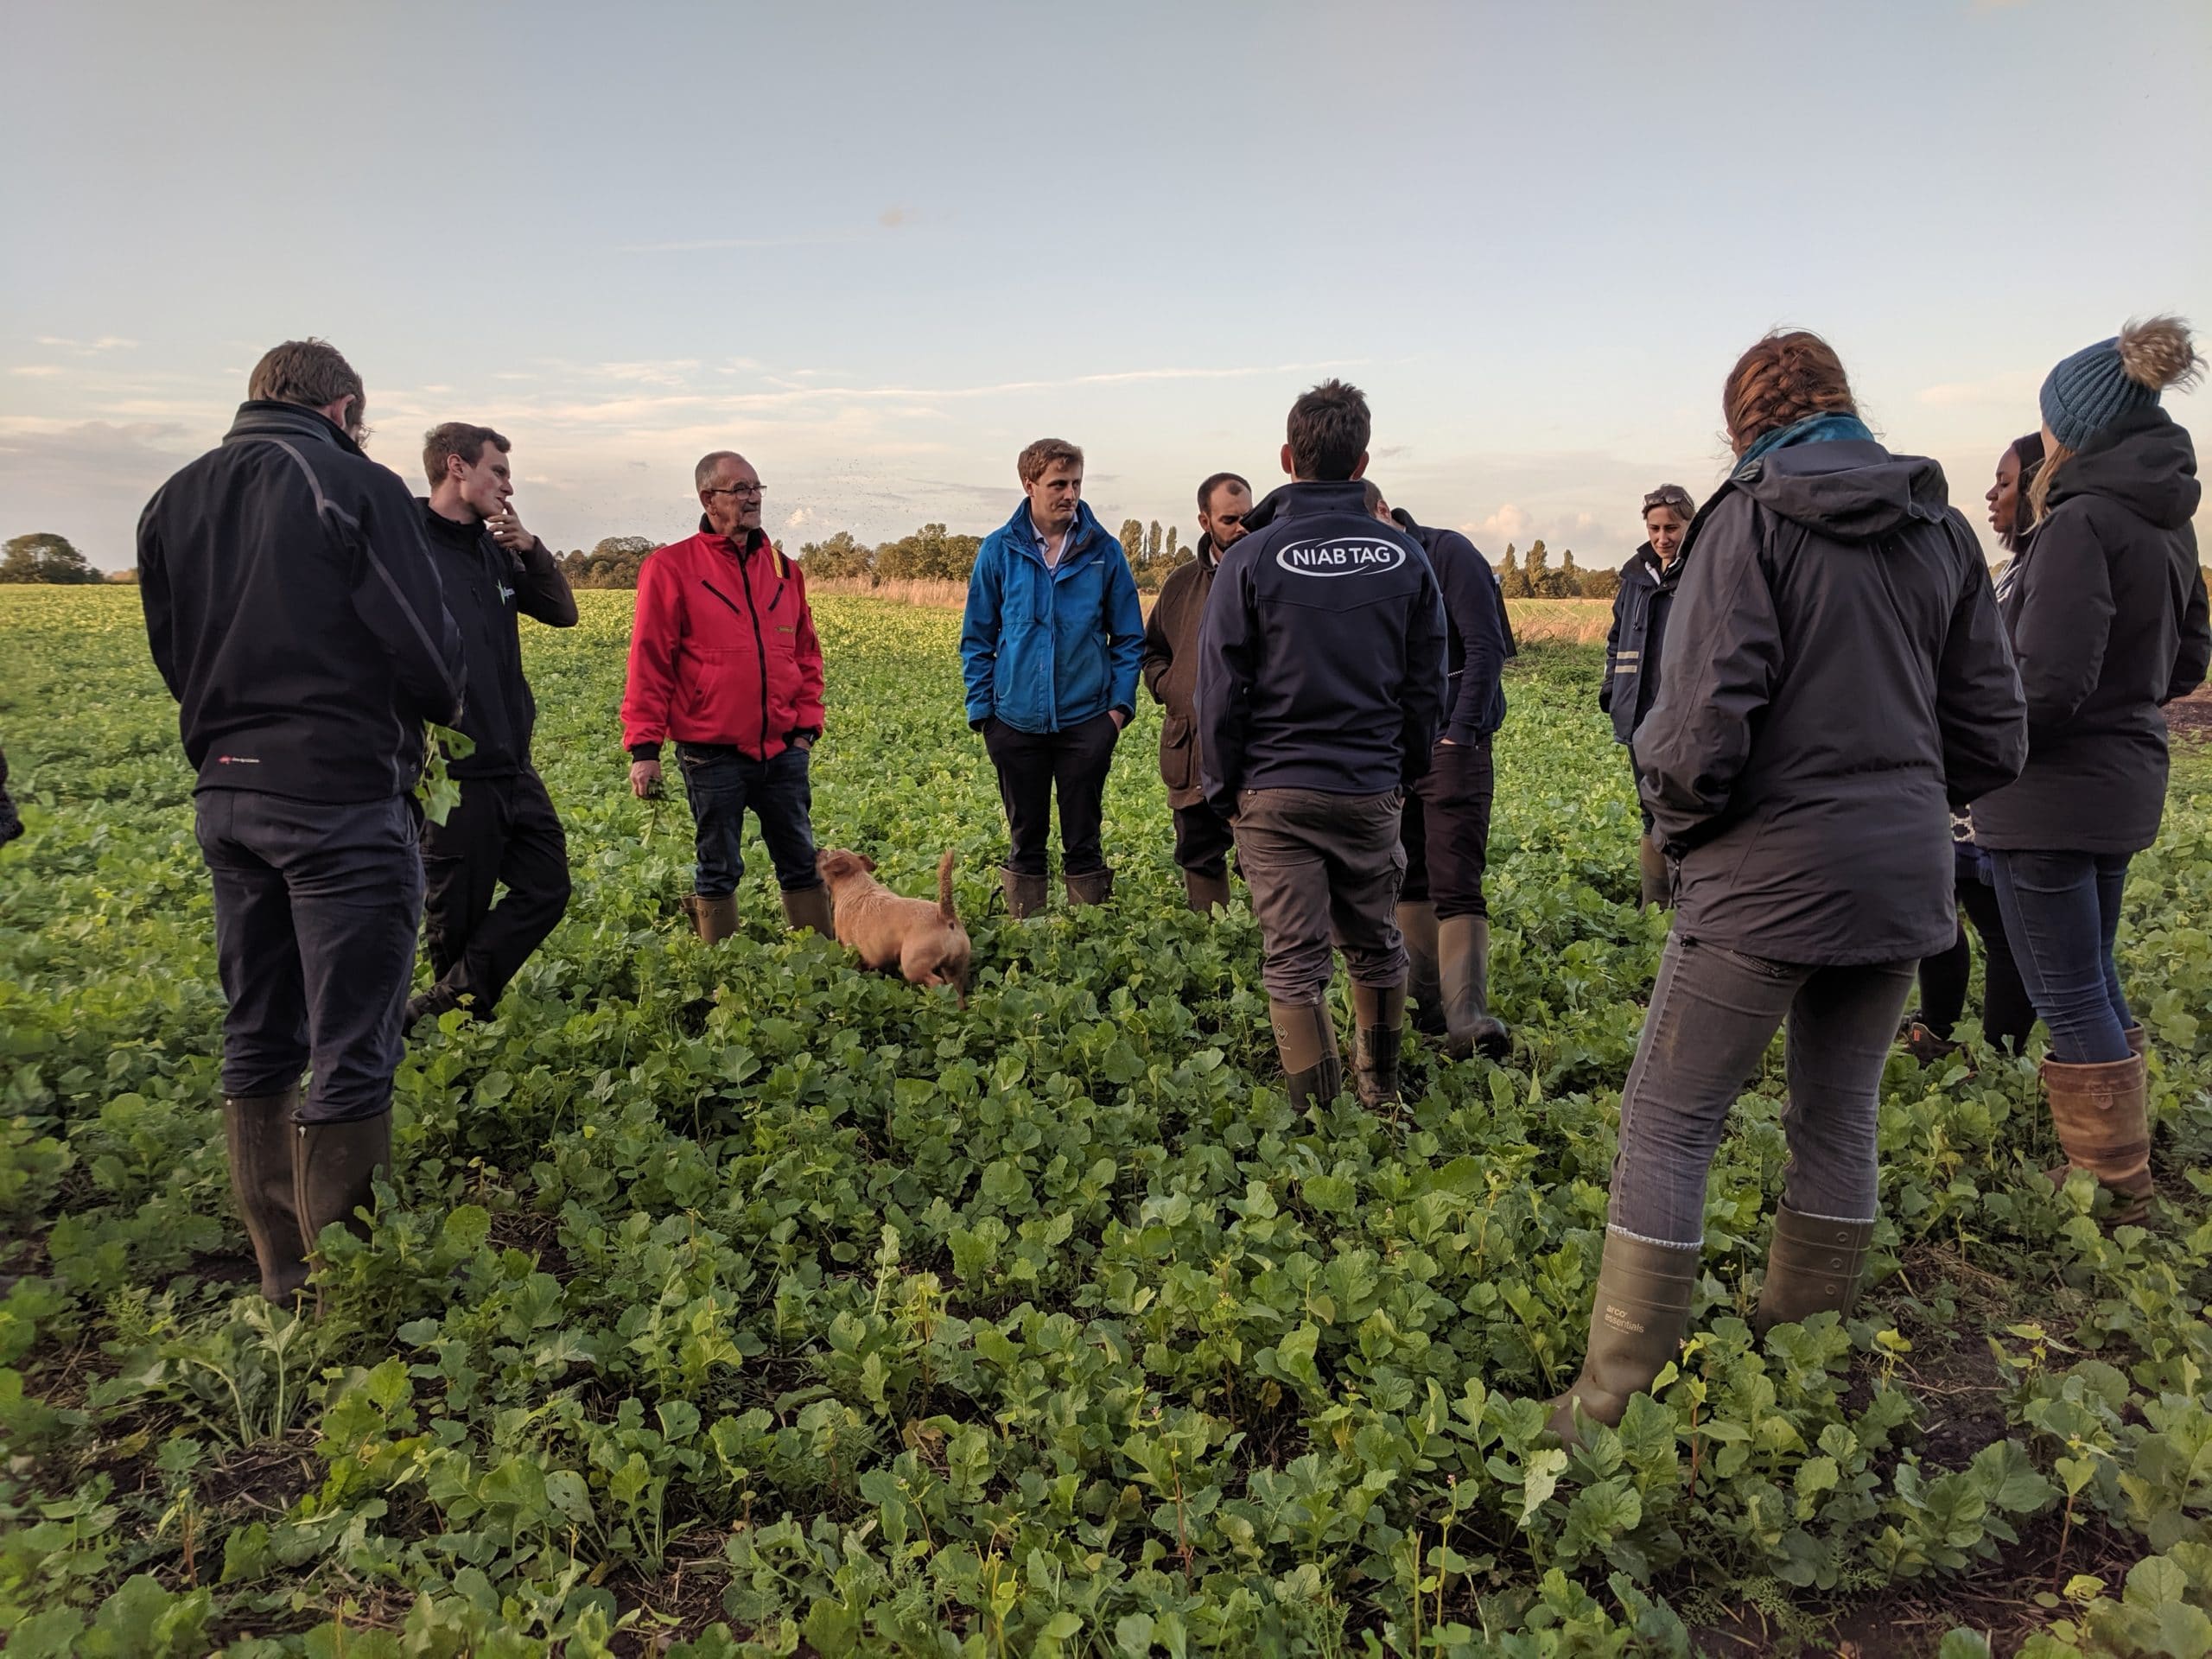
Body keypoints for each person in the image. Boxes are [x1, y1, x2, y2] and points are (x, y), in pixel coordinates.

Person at [1548, 331, 2025, 1440]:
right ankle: (1802, 1365)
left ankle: (1611, 1407)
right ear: (1848, 405)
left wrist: (1679, 826)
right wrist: (1897, 798)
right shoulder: (1944, 528)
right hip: (1902, 871)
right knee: (1840, 1113)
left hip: (1762, 878)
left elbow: (1698, 723)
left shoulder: (1748, 518)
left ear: (1742, 424)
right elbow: (1995, 730)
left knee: (1668, 1123)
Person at [137, 338, 467, 1303]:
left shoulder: (173, 497)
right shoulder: (349, 483)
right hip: (337, 793)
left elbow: (171, 652)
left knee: (259, 1025)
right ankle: (349, 1278)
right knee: (353, 1035)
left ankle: (282, 1269)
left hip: (227, 794)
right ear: (345, 407)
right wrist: (437, 704)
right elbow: (424, 643)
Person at [1968, 317, 2210, 1223]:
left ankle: (2112, 1186)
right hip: (2123, 781)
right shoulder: (2167, 526)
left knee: (2063, 985)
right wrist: (2124, 694)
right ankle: (2120, 1146)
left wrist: (1972, 749)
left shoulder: (2076, 526)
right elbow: (2186, 663)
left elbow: (2045, 684)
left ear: (2069, 432)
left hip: (2049, 798)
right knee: (2092, 972)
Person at [1196, 381, 1447, 1109]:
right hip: (1369, 786)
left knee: (1294, 961)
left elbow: (1220, 689)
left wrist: (1226, 787)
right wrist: (1402, 771)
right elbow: (1427, 683)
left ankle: (1320, 1120)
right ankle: (1382, 1091)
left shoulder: (1249, 560)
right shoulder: (1406, 558)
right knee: (1376, 944)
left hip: (1273, 790)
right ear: (1363, 458)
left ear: (1286, 457)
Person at [404, 423, 578, 1029]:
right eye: (498, 471)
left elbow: (562, 612)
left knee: (548, 886)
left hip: (511, 758)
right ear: (457, 466)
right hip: (447, 765)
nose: (508, 485)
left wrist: (529, 549)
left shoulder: (494, 547)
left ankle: (444, 1005)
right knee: (457, 912)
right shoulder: (404, 543)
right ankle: (457, 1032)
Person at [622, 451, 830, 943]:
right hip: (710, 752)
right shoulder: (671, 567)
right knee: (717, 865)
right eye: (739, 489)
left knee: (800, 860)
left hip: (782, 750)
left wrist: (804, 731)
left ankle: (819, 966)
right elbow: (650, 660)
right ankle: (720, 972)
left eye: (756, 487)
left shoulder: (783, 568)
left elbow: (806, 655)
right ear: (708, 500)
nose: (752, 497)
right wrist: (644, 750)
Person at [1904, 433, 2045, 1060]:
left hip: (2002, 782)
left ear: (2039, 488)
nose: (1992, 493)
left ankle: (1998, 1055)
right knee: (1942, 912)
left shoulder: (2048, 564)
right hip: (1963, 784)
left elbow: (2030, 680)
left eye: (2006, 481)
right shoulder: (2011, 568)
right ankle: (1938, 1031)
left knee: (1999, 927)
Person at [961, 439, 1145, 916]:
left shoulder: (1104, 552)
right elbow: (977, 639)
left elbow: (1128, 637)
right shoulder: (998, 551)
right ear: (1029, 486)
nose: (1070, 494)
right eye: (1058, 484)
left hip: (1087, 719)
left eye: (1076, 483)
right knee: (1026, 839)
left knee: (1084, 837)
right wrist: (985, 715)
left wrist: (1118, 711)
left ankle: (1087, 936)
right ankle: (1030, 935)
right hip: (1015, 721)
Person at [1366, 482, 1511, 1058]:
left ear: (1383, 511)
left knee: (1455, 874)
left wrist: (1460, 731)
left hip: (1454, 743)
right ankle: (1427, 1008)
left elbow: (1485, 648)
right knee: (1409, 869)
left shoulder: (1449, 554)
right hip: (1399, 745)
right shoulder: (1373, 569)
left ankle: (1467, 1015)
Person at [1141, 472, 1251, 912]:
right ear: (1205, 521)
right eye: (1230, 519)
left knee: (1266, 856)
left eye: (1249, 517)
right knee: (1200, 852)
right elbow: (1152, 650)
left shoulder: (1270, 575)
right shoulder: (1180, 584)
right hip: (1190, 748)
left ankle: (1270, 954)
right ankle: (1209, 940)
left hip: (1255, 749)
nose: (1242, 527)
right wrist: (1168, 686)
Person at [1601, 485, 1695, 907]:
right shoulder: (1635, 578)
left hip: (1685, 714)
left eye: (1672, 527)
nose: (1662, 538)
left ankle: (1689, 904)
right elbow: (1616, 640)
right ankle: (1654, 909)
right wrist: (1611, 692)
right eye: (1655, 528)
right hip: (1639, 714)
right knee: (1649, 809)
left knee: (1686, 810)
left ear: (1690, 524)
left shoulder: (1702, 572)